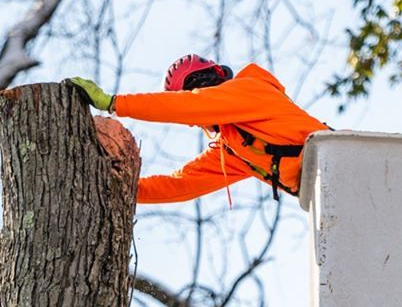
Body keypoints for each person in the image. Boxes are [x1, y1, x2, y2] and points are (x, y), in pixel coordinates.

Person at [69, 54, 330, 204]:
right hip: (323, 189)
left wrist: (114, 103)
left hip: (339, 158)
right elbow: (180, 185)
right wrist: (119, 189)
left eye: (196, 89)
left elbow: (186, 106)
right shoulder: (235, 150)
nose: (198, 116)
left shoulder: (248, 90)